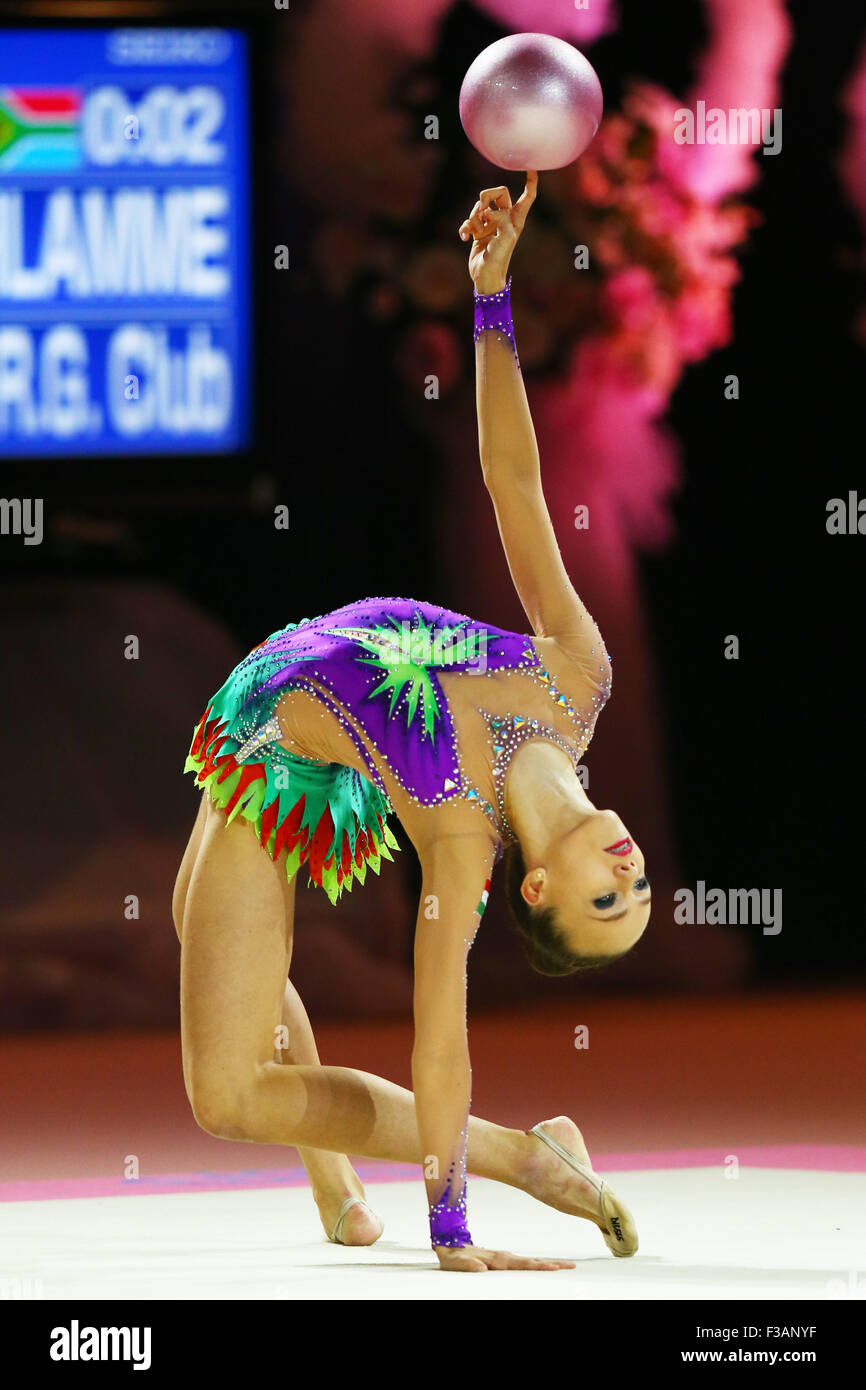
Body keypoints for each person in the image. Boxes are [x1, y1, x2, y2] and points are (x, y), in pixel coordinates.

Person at [172, 171, 649, 1272]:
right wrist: (488, 301)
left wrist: (450, 1225)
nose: (627, 875)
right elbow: (512, 483)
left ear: (535, 889)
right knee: (207, 951)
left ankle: (518, 1160)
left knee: (225, 1093)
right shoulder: (577, 678)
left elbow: (443, 1037)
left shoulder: (459, 841)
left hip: (272, 752)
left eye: (602, 902)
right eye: (637, 891)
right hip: (278, 683)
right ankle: (349, 1181)